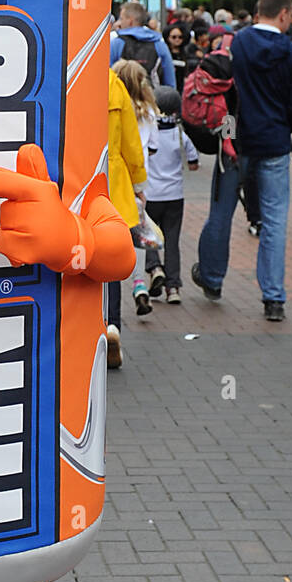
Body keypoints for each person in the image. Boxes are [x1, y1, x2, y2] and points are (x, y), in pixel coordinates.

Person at [195, 0, 292, 321]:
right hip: (273, 141)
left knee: (221, 210)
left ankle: (212, 278)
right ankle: (273, 298)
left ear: (259, 11)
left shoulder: (237, 42)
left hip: (235, 136)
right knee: (274, 221)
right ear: (284, 14)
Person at [106, 67, 147, 365]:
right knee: (111, 264)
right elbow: (131, 144)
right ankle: (112, 326)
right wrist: (139, 183)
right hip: (114, 185)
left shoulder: (69, 79)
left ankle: (84, 330)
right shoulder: (115, 86)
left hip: (78, 185)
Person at [143, 85, 199, 302]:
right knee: (172, 240)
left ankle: (154, 267)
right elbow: (193, 163)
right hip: (174, 196)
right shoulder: (180, 135)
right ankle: (173, 288)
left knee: (148, 236)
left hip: (151, 194)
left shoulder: (148, 133)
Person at [113, 59, 159, 315]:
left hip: (114, 178)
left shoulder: (112, 100)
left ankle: (110, 277)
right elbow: (149, 148)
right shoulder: (148, 111)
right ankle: (139, 283)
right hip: (139, 182)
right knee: (139, 235)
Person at [109, 0, 176, 87]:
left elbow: (108, 76)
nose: (120, 23)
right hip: (153, 97)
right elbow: (170, 81)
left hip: (123, 98)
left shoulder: (117, 42)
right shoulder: (158, 43)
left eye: (122, 18)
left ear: (130, 21)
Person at [163, 21, 190, 92]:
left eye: (180, 37)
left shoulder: (186, 54)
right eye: (174, 37)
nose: (177, 39)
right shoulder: (164, 53)